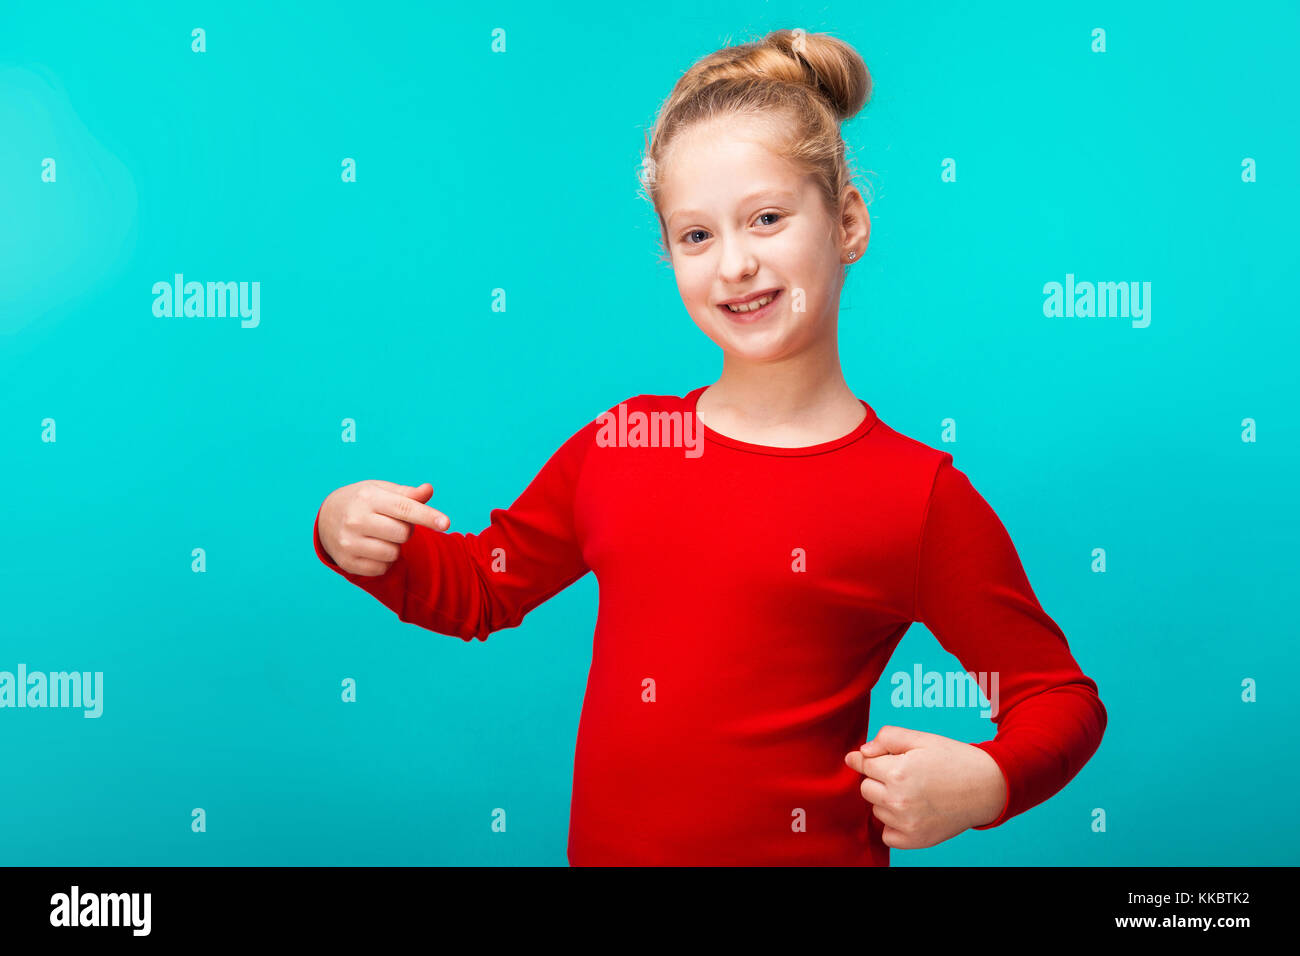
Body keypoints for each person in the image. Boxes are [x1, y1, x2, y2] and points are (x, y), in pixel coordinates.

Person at [312, 28, 1107, 866]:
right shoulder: (623, 445)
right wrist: (354, 536)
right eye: (696, 236)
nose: (734, 264)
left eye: (766, 218)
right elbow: (480, 588)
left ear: (848, 221)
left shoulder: (918, 496)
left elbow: (1058, 697)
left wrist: (987, 780)